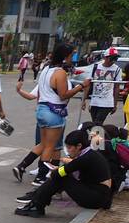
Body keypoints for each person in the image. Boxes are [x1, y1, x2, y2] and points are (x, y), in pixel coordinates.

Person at [12, 41, 88, 186]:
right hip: (54, 111)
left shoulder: (46, 69)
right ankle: (40, 177)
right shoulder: (60, 73)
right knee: (50, 147)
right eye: (72, 55)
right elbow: (64, 95)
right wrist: (81, 86)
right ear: (65, 56)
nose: (73, 57)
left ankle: (22, 166)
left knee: (43, 143)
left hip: (42, 109)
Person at [15, 128, 112, 217]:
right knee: (62, 176)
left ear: (79, 146)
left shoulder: (85, 158)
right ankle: (36, 201)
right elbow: (68, 169)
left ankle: (36, 204)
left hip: (96, 199)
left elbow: (58, 174)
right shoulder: (90, 154)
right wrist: (59, 170)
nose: (68, 151)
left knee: (61, 178)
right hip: (99, 195)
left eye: (69, 148)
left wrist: (57, 170)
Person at [89, 49, 121, 127]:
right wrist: (84, 100)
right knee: (95, 123)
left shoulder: (117, 69)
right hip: (94, 101)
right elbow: (88, 83)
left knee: (98, 123)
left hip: (107, 102)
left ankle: (96, 138)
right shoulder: (95, 66)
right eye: (112, 58)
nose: (113, 61)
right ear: (105, 57)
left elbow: (117, 87)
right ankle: (97, 138)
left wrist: (115, 104)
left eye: (115, 58)